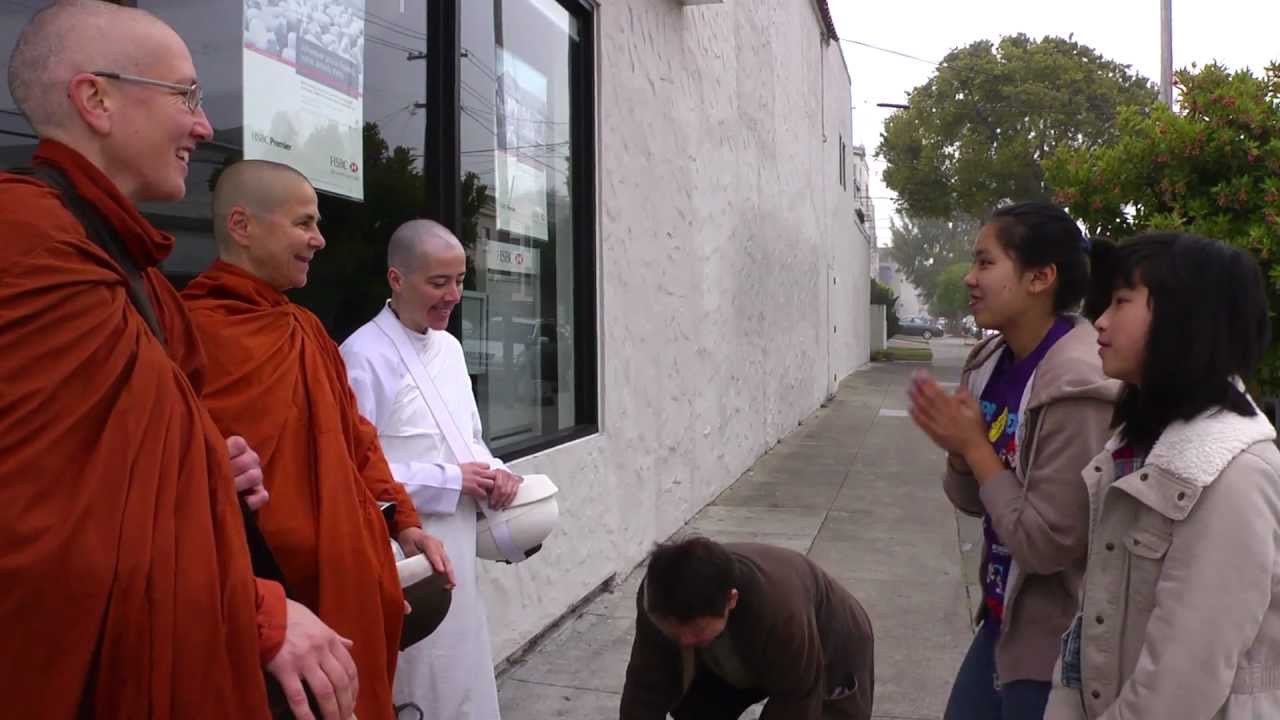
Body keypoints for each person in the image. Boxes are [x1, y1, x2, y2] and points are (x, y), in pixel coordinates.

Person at [0, 3, 360, 719]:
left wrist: (201, 468)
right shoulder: (27, 243)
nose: (203, 125)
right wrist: (253, 606)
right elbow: (34, 527)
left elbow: (112, 459)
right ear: (95, 98)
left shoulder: (142, 283)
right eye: (186, 97)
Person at [180, 160, 455, 720]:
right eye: (304, 223)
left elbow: (358, 442)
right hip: (258, 591)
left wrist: (404, 522)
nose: (319, 239)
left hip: (345, 572)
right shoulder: (188, 333)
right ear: (242, 225)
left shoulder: (307, 332)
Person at [1045, 233, 1280, 719]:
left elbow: (1180, 685)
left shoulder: (1234, 475)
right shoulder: (1138, 446)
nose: (1101, 321)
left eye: (1121, 302)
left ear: (1183, 319)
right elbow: (1093, 626)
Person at [907, 202, 1120, 720]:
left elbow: (1047, 544)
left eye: (985, 263)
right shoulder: (990, 363)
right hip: (1003, 616)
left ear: (1040, 277)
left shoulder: (1078, 383)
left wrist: (975, 447)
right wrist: (961, 453)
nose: (970, 279)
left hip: (1056, 640)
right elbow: (973, 502)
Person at [339, 219, 521, 719]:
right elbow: (352, 467)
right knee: (419, 680)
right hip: (405, 552)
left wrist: (495, 472)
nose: (454, 295)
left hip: (459, 543)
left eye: (460, 281)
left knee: (464, 673)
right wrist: (450, 480)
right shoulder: (361, 355)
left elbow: (469, 440)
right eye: (438, 283)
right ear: (396, 280)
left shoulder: (451, 348)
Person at [618, 537, 875, 720]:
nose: (684, 641)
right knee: (696, 709)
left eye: (697, 631)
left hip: (831, 639)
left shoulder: (781, 615)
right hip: (751, 636)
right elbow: (645, 685)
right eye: (674, 632)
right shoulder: (657, 597)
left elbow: (795, 702)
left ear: (731, 599)